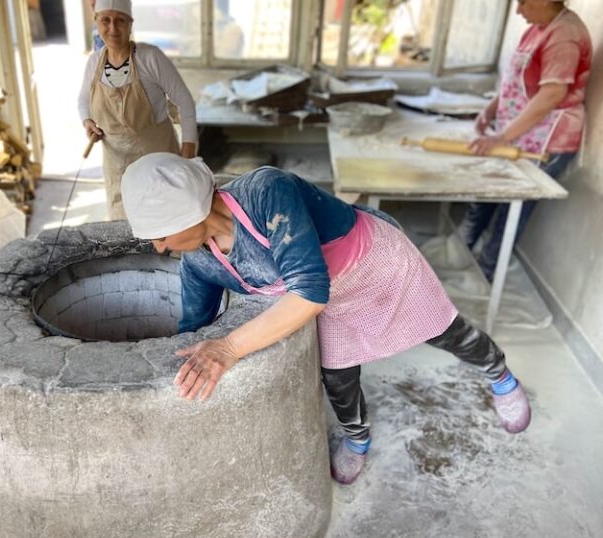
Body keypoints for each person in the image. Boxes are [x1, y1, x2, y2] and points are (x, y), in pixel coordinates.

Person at [121, 153, 532, 485]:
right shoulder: (199, 262)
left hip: (375, 263)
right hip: (331, 297)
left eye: (161, 235)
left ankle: (501, 376)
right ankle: (357, 439)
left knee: (445, 331)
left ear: (189, 215)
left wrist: (229, 348)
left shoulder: (266, 191)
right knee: (336, 375)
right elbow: (193, 329)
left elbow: (308, 291)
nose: (159, 248)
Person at [463, 0, 592, 281]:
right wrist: (491, 109)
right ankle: (463, 252)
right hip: (518, 133)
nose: (518, 10)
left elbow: (552, 95)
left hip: (547, 140)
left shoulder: (565, 35)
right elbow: (514, 79)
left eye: (522, 1)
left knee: (512, 211)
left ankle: (486, 276)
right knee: (487, 193)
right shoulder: (537, 28)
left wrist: (502, 137)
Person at [77, 0, 197, 220]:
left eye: (120, 21)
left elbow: (185, 101)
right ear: (97, 22)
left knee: (165, 219)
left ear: (130, 24)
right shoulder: (94, 62)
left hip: (157, 156)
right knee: (123, 223)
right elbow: (83, 100)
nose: (113, 28)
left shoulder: (150, 57)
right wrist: (88, 122)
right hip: (116, 161)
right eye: (106, 20)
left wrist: (188, 153)